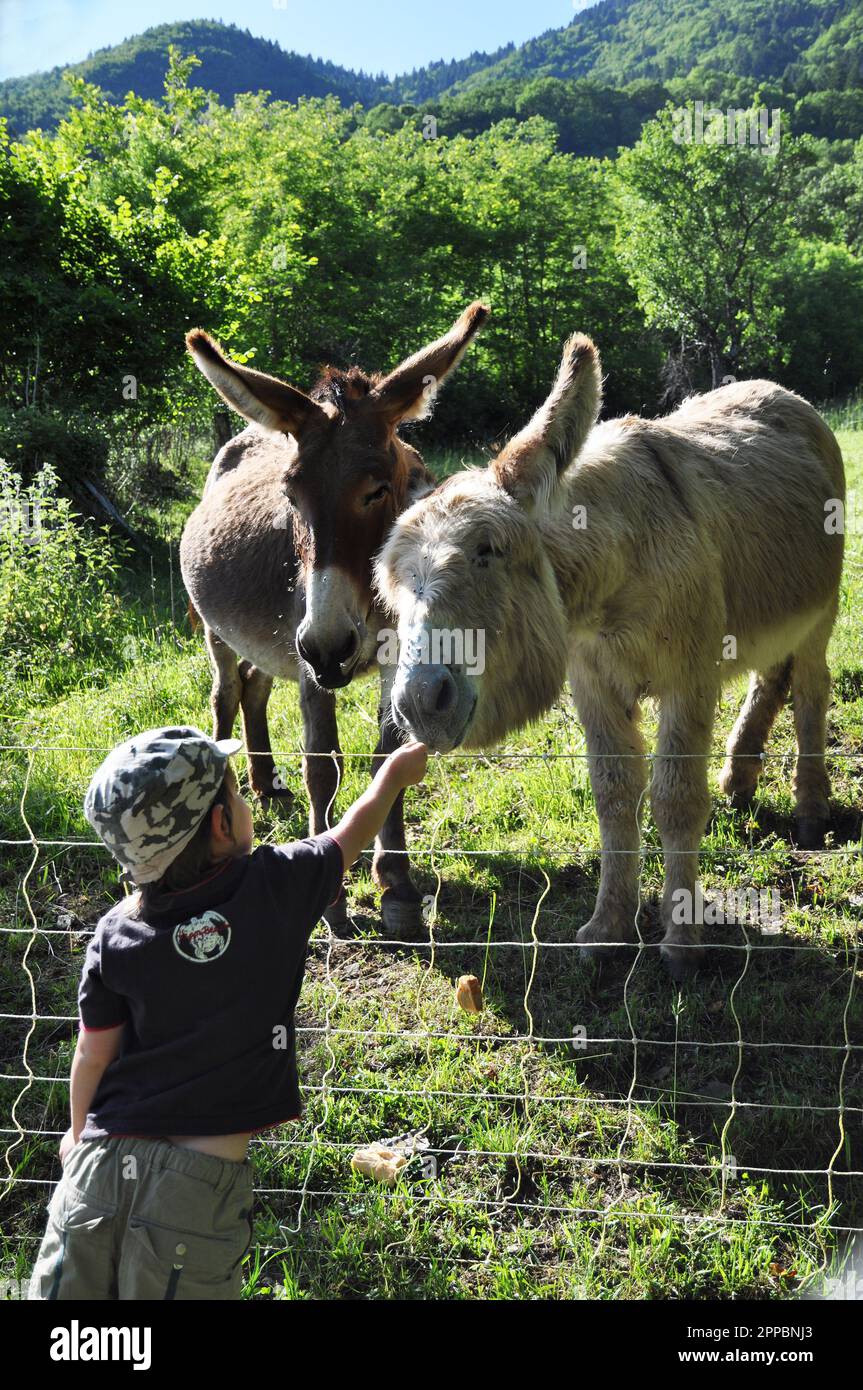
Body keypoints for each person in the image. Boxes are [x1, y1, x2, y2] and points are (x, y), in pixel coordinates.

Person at [27, 724, 428, 1300]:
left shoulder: (115, 933)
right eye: (237, 795)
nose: (245, 805)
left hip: (93, 1171)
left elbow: (93, 1052)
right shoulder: (272, 885)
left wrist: (74, 1133)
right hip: (190, 1196)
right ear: (220, 824)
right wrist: (392, 775)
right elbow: (349, 837)